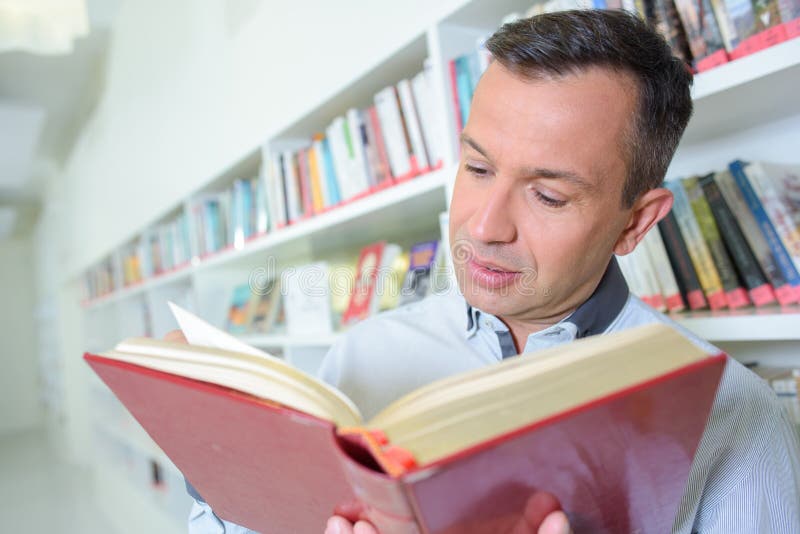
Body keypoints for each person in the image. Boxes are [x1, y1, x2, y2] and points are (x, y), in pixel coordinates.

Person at [184, 9, 800, 534]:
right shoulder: (362, 357)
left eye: (548, 197)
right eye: (477, 169)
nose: (482, 227)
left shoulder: (731, 413)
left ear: (635, 223)